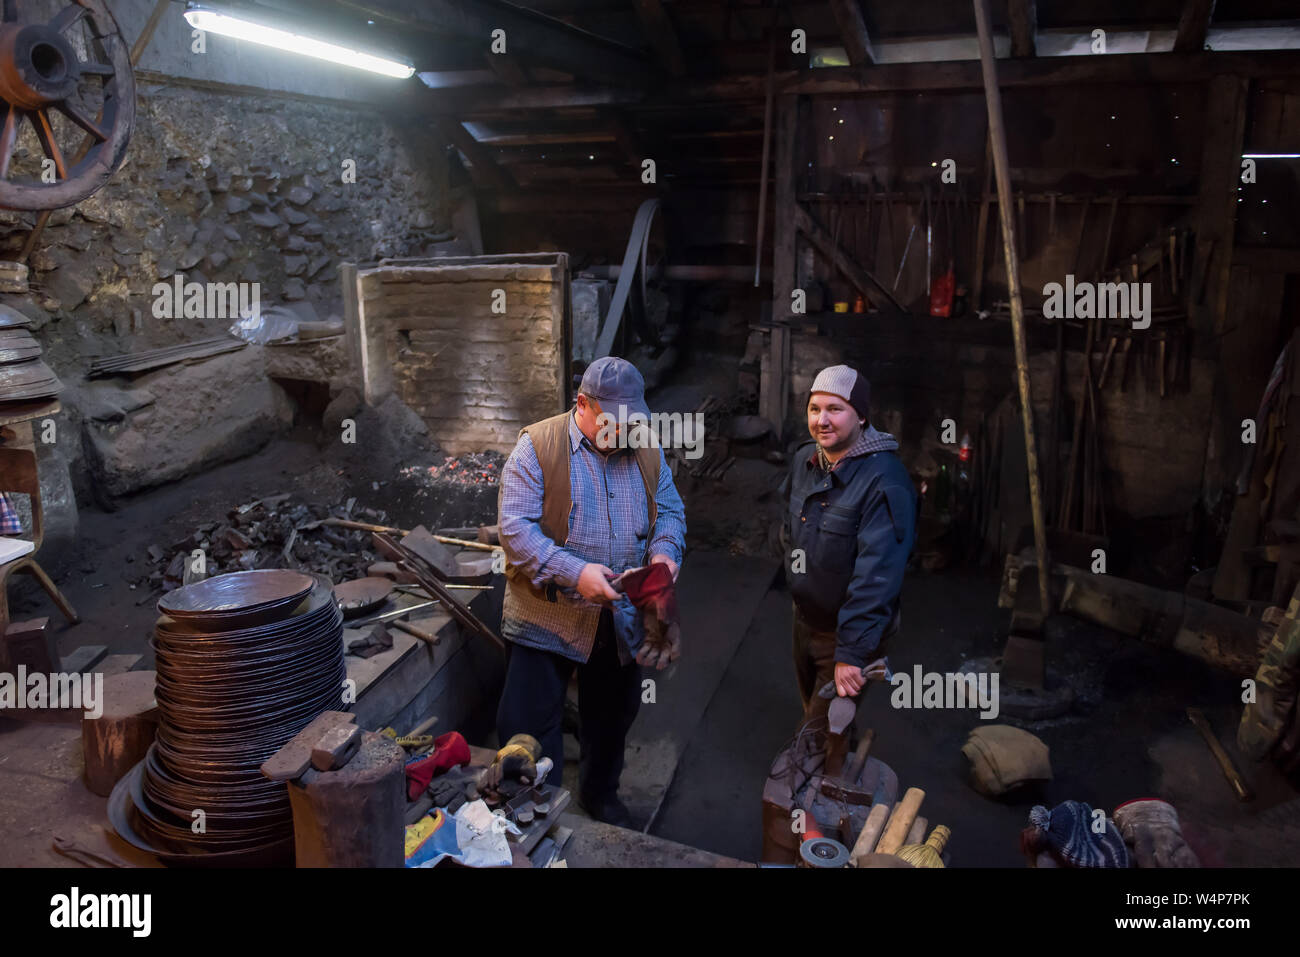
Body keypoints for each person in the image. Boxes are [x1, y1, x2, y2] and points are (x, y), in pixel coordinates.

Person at [496, 356, 686, 827]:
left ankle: (600, 793)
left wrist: (664, 556)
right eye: (614, 422)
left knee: (612, 716)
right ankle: (539, 814)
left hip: (616, 619)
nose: (625, 432)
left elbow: (670, 513)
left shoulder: (646, 450)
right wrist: (574, 572)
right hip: (547, 614)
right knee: (530, 724)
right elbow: (515, 530)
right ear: (583, 404)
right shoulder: (536, 447)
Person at [784, 364, 916, 723]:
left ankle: (825, 772)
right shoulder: (805, 460)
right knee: (814, 715)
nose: (821, 420)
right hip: (804, 620)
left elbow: (878, 577)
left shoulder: (885, 482)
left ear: (860, 417)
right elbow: (789, 527)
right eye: (815, 409)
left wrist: (853, 652)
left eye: (835, 409)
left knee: (818, 735)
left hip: (843, 633)